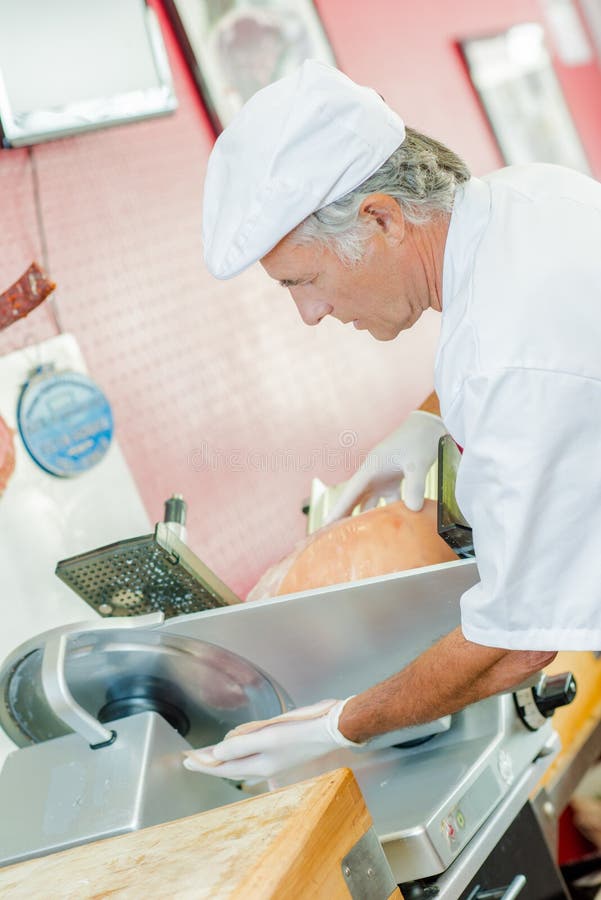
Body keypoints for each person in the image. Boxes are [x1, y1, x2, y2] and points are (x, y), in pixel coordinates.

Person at [184, 59, 601, 781]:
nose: (310, 314)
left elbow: (516, 642)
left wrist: (340, 726)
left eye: (303, 281)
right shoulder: (519, 195)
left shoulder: (507, 362)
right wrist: (428, 417)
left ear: (380, 216)